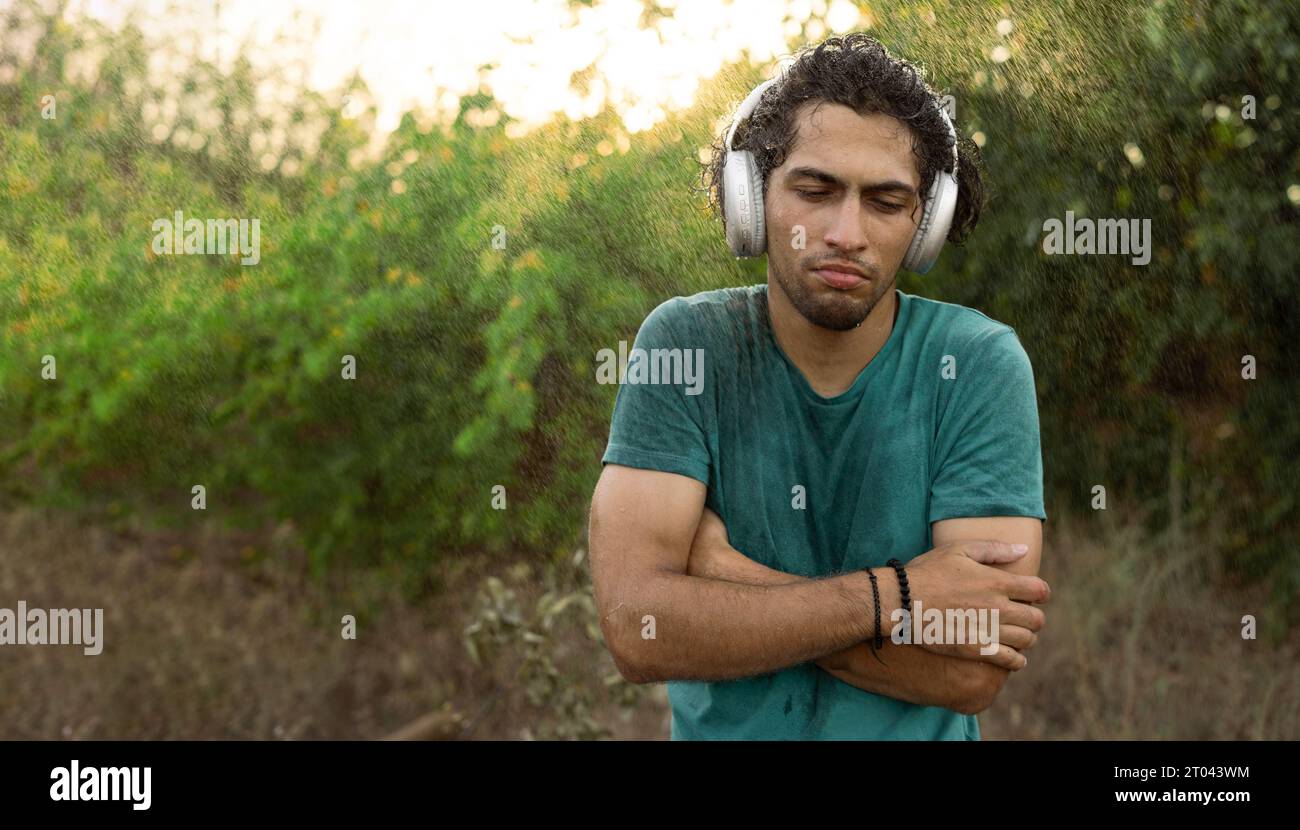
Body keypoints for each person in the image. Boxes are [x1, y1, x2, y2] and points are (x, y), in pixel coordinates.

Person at [588, 32, 1050, 740]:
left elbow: (968, 676)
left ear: (924, 227)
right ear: (750, 199)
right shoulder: (685, 346)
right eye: (815, 189)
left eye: (887, 202)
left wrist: (724, 573)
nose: (846, 232)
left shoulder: (979, 365)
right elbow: (639, 633)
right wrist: (899, 597)